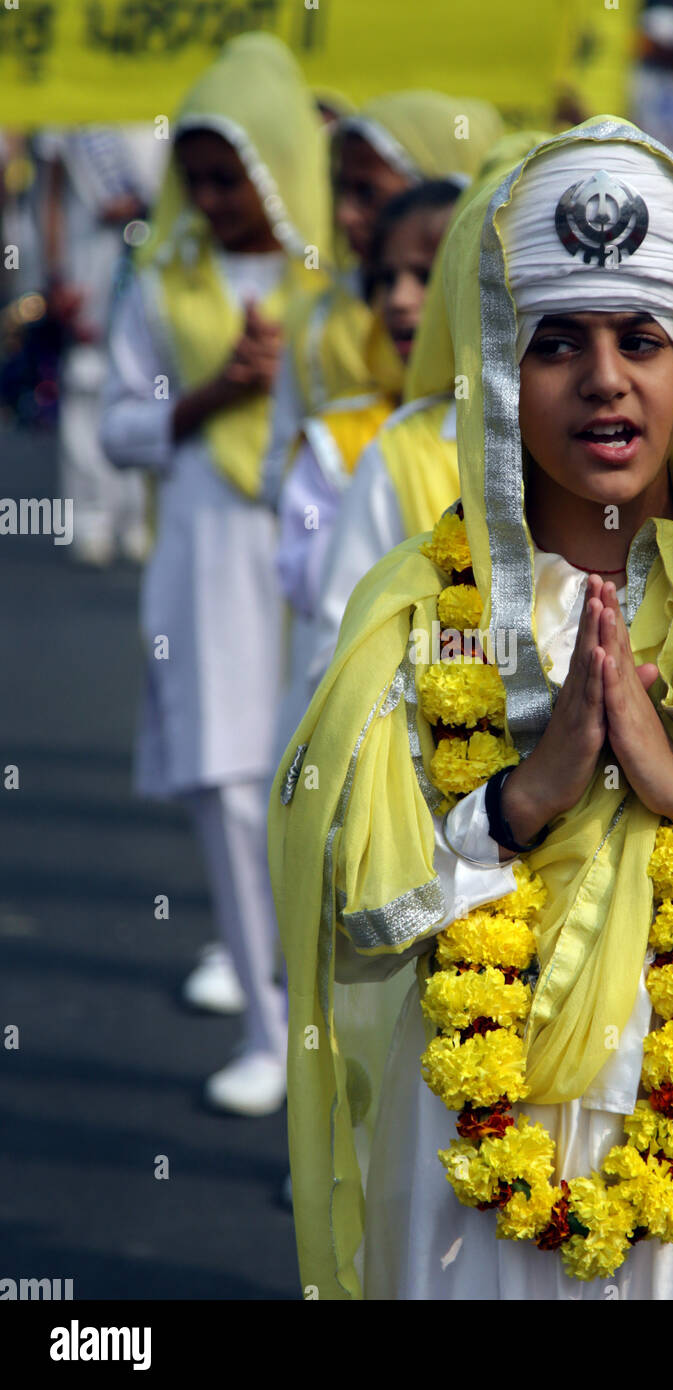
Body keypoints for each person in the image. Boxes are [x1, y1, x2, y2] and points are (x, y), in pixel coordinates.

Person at [269, 120, 673, 1300]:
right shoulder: (418, 608)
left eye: (642, 340)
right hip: (473, 1134)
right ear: (499, 370)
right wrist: (519, 800)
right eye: (554, 342)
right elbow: (354, 914)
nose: (603, 377)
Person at [100, 33, 330, 1115]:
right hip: (201, 547)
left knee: (314, 780)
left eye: (227, 176)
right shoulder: (164, 277)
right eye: (193, 178)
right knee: (223, 784)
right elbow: (117, 426)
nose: (209, 197)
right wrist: (213, 396)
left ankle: (316, 1008)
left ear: (279, 164)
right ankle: (262, 1022)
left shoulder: (338, 277)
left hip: (314, 548)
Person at [273, 178, 461, 749]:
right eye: (384, 280)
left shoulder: (544, 437)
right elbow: (330, 619)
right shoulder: (360, 438)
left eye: (426, 277)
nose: (400, 300)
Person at [263, 91, 505, 492]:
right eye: (341, 190)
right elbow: (281, 478)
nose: (345, 214)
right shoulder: (312, 321)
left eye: (367, 192)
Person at [36, 124, 165, 565]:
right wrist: (55, 274)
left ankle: (137, 517)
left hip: (149, 267)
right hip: (87, 268)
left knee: (147, 383)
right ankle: (89, 517)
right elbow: (51, 195)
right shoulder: (76, 111)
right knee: (86, 384)